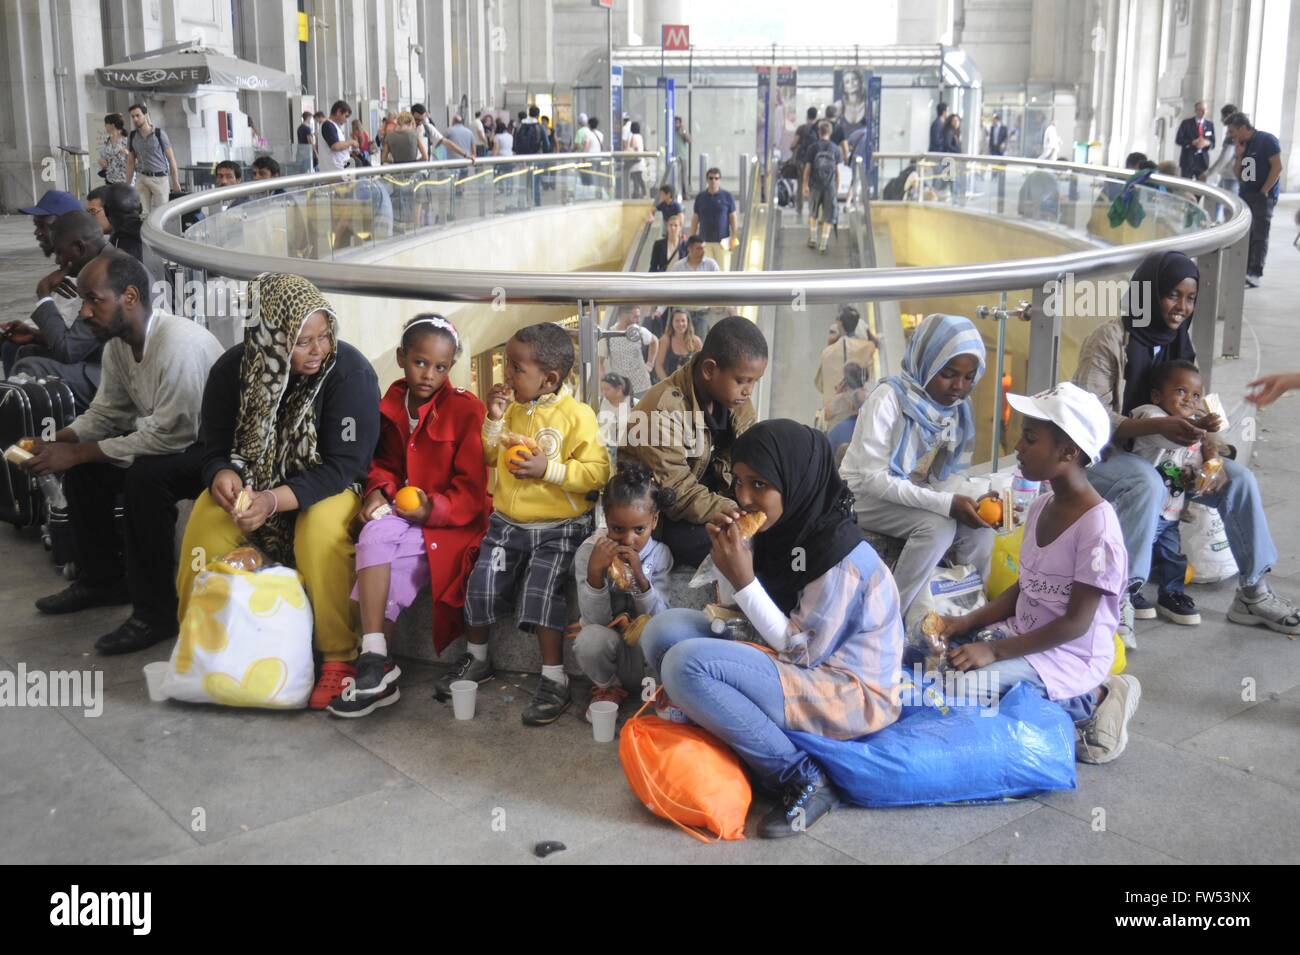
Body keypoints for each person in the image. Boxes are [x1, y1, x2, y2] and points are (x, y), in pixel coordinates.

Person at [640, 420, 905, 838]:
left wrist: (745, 581)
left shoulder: (839, 558)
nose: (744, 497)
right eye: (739, 481)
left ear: (794, 481)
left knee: (684, 667)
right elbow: (732, 609)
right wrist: (732, 561)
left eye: (760, 484)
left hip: (847, 689)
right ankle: (743, 735)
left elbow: (800, 652)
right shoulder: (782, 528)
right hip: (794, 657)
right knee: (662, 631)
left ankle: (802, 776)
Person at [1073, 250, 1300, 642]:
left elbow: (1200, 404)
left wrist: (1211, 453)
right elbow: (1088, 418)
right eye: (1172, 295)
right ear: (1148, 292)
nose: (1181, 307)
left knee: (1239, 480)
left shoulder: (1179, 339)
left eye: (1190, 298)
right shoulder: (1109, 339)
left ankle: (1251, 592)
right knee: (1146, 481)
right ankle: (1120, 597)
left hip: (1173, 459)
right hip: (1110, 462)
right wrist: (1160, 425)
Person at [177, 273, 380, 708]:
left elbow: (345, 466)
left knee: (322, 529)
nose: (318, 350)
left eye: (324, 336)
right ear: (270, 335)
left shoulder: (349, 373)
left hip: (326, 487)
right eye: (302, 341)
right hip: (253, 486)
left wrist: (272, 501)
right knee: (206, 524)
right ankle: (200, 640)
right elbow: (212, 446)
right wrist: (221, 475)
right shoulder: (233, 370)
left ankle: (338, 655)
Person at [931, 382, 1141, 765]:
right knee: (942, 666)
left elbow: (1076, 624)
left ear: (1068, 452)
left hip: (1068, 655)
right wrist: (964, 623)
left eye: (1030, 439)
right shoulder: (1043, 505)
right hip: (1027, 639)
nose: (1018, 448)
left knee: (962, 693)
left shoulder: (1098, 530)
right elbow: (1025, 587)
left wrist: (993, 650)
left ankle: (1095, 699)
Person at [25, 250, 223, 654]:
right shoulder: (118, 342)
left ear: (129, 297)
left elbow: (172, 438)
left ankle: (156, 614)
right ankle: (103, 580)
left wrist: (80, 453)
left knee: (145, 480)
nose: (83, 312)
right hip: (172, 438)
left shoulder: (177, 345)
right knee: (86, 471)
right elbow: (108, 411)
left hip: (215, 451)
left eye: (93, 300)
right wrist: (62, 440)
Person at [435, 322, 610, 724]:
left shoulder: (576, 415)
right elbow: (489, 457)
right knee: (479, 585)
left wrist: (548, 470)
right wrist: (494, 419)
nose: (505, 376)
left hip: (559, 527)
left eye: (515, 368)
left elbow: (598, 472)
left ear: (548, 378)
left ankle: (554, 679)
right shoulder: (513, 409)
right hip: (508, 523)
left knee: (542, 592)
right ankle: (478, 658)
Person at [327, 315, 489, 717]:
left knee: (393, 565)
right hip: (401, 509)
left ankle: (375, 670)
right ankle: (376, 660)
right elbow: (381, 462)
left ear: (450, 367)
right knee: (372, 536)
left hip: (447, 523)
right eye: (420, 362)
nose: (429, 374)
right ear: (401, 357)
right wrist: (378, 491)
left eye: (440, 367)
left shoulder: (466, 411)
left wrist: (431, 508)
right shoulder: (390, 403)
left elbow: (470, 493)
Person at [839, 313, 995, 619]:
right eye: (948, 373)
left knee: (982, 531)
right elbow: (872, 479)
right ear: (926, 361)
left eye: (968, 376)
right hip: (861, 496)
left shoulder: (957, 409)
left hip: (915, 492)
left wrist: (972, 500)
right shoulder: (888, 399)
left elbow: (948, 475)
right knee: (936, 528)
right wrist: (945, 504)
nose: (959, 387)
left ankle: (972, 608)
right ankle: (888, 615)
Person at [620, 315, 766, 566]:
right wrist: (732, 509)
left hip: (707, 494)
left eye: (754, 382)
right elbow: (675, 492)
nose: (749, 390)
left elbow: (749, 458)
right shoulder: (663, 409)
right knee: (730, 544)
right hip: (661, 512)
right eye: (742, 381)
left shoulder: (736, 399)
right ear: (709, 370)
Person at [573, 461, 676, 720]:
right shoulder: (589, 552)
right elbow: (593, 623)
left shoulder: (660, 554)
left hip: (645, 656)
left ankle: (662, 689)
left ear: (654, 520)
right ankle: (607, 688)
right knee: (588, 640)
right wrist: (595, 575)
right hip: (611, 653)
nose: (628, 540)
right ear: (605, 518)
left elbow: (662, 618)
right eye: (618, 529)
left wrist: (640, 578)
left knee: (661, 630)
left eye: (639, 529)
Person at [1128, 360, 1225, 626]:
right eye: (1180, 391)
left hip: (1172, 511)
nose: (1189, 400)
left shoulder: (1193, 426)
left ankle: (1172, 594)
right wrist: (1201, 428)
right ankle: (1129, 592)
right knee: (1137, 551)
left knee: (1173, 556)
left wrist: (1197, 473)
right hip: (1146, 512)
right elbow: (1171, 437)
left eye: (1195, 396)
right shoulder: (1149, 416)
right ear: (1157, 395)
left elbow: (1191, 460)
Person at [3, 211, 107, 409]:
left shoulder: (102, 277)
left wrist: (43, 293)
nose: (58, 262)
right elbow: (79, 342)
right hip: (98, 358)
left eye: (60, 252)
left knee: (29, 368)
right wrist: (35, 335)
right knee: (25, 351)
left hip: (109, 375)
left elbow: (69, 350)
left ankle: (23, 431)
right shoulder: (93, 268)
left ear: (79, 247)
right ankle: (24, 426)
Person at [1226, 111, 1281, 288]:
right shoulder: (1242, 145)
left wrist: (1265, 190)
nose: (1231, 136)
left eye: (1233, 131)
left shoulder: (1267, 140)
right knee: (1246, 233)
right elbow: (1237, 173)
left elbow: (1277, 167)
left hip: (1262, 195)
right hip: (1246, 193)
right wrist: (1239, 155)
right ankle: (1245, 269)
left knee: (1260, 233)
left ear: (1243, 128)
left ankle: (1255, 272)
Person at [816, 305, 878, 428]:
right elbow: (875, 343)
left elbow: (820, 385)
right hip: (860, 416)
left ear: (839, 324)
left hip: (834, 420)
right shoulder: (867, 347)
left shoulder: (826, 353)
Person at [124, 103, 181, 216]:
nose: (135, 119)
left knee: (161, 214)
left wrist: (175, 182)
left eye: (137, 115)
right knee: (142, 214)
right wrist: (127, 184)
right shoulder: (132, 136)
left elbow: (171, 159)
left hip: (159, 178)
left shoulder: (159, 134)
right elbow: (131, 162)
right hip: (142, 177)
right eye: (132, 116)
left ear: (145, 115)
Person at [598, 305, 657, 399]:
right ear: (623, 315)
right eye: (635, 316)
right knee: (623, 413)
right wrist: (605, 383)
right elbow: (599, 363)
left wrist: (650, 363)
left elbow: (654, 341)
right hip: (621, 391)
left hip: (643, 388)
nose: (638, 320)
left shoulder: (638, 331)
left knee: (644, 413)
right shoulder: (608, 335)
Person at [802, 120, 840, 255]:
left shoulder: (813, 148)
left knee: (813, 212)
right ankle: (823, 244)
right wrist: (836, 187)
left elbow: (807, 168)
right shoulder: (835, 148)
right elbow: (837, 171)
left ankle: (813, 238)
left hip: (815, 185)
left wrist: (805, 185)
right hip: (829, 187)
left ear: (819, 132)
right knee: (828, 215)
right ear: (830, 133)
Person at [691, 167, 737, 270]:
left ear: (720, 180)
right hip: (705, 242)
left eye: (716, 178)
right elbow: (695, 219)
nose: (713, 181)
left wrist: (734, 236)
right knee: (705, 272)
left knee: (723, 271)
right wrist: (692, 239)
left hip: (722, 242)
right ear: (707, 180)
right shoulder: (701, 197)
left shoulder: (727, 196)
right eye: (711, 178)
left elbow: (732, 217)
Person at [86, 184, 144, 261]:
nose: (90, 218)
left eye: (93, 211)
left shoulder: (119, 246)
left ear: (107, 211)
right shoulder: (149, 233)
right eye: (88, 212)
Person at [654, 307, 702, 383]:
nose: (680, 324)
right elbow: (658, 366)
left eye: (683, 321)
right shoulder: (666, 339)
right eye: (677, 321)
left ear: (688, 322)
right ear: (671, 323)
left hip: (689, 384)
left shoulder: (696, 341)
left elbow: (701, 366)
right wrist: (668, 384)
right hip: (669, 384)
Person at [1175, 101, 1215, 181]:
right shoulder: (1186, 123)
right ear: (1196, 111)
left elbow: (1213, 143)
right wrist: (1192, 142)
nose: (1203, 112)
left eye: (1205, 110)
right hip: (1188, 159)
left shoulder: (1209, 124)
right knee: (1186, 185)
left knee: (1201, 187)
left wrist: (1207, 143)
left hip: (1202, 160)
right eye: (1201, 110)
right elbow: (1178, 140)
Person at [1206, 104, 1240, 194]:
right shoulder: (1233, 131)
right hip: (1228, 175)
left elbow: (1225, 157)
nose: (1221, 120)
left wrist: (1209, 173)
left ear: (1228, 116)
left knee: (1229, 206)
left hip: (1232, 176)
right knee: (1218, 202)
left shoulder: (1234, 133)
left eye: (1222, 117)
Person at [597, 372, 633, 449]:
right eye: (602, 389)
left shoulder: (625, 406)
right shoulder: (605, 400)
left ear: (619, 390)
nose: (603, 393)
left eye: (607, 389)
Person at [99, 113, 130, 185]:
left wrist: (127, 153)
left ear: (112, 125)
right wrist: (102, 162)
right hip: (109, 179)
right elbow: (105, 158)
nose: (104, 126)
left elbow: (136, 161)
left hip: (124, 180)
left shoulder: (127, 140)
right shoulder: (107, 140)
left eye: (106, 124)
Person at [626, 121, 647, 198]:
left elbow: (635, 148)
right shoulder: (640, 136)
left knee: (636, 178)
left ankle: (637, 193)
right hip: (640, 160)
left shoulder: (633, 137)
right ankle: (642, 193)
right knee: (639, 178)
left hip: (635, 160)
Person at [673, 115, 692, 194]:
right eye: (674, 123)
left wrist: (683, 131)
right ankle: (676, 193)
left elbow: (689, 140)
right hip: (674, 156)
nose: (675, 124)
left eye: (677, 123)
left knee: (684, 176)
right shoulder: (670, 131)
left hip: (682, 156)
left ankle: (685, 194)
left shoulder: (683, 131)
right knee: (675, 176)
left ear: (680, 123)